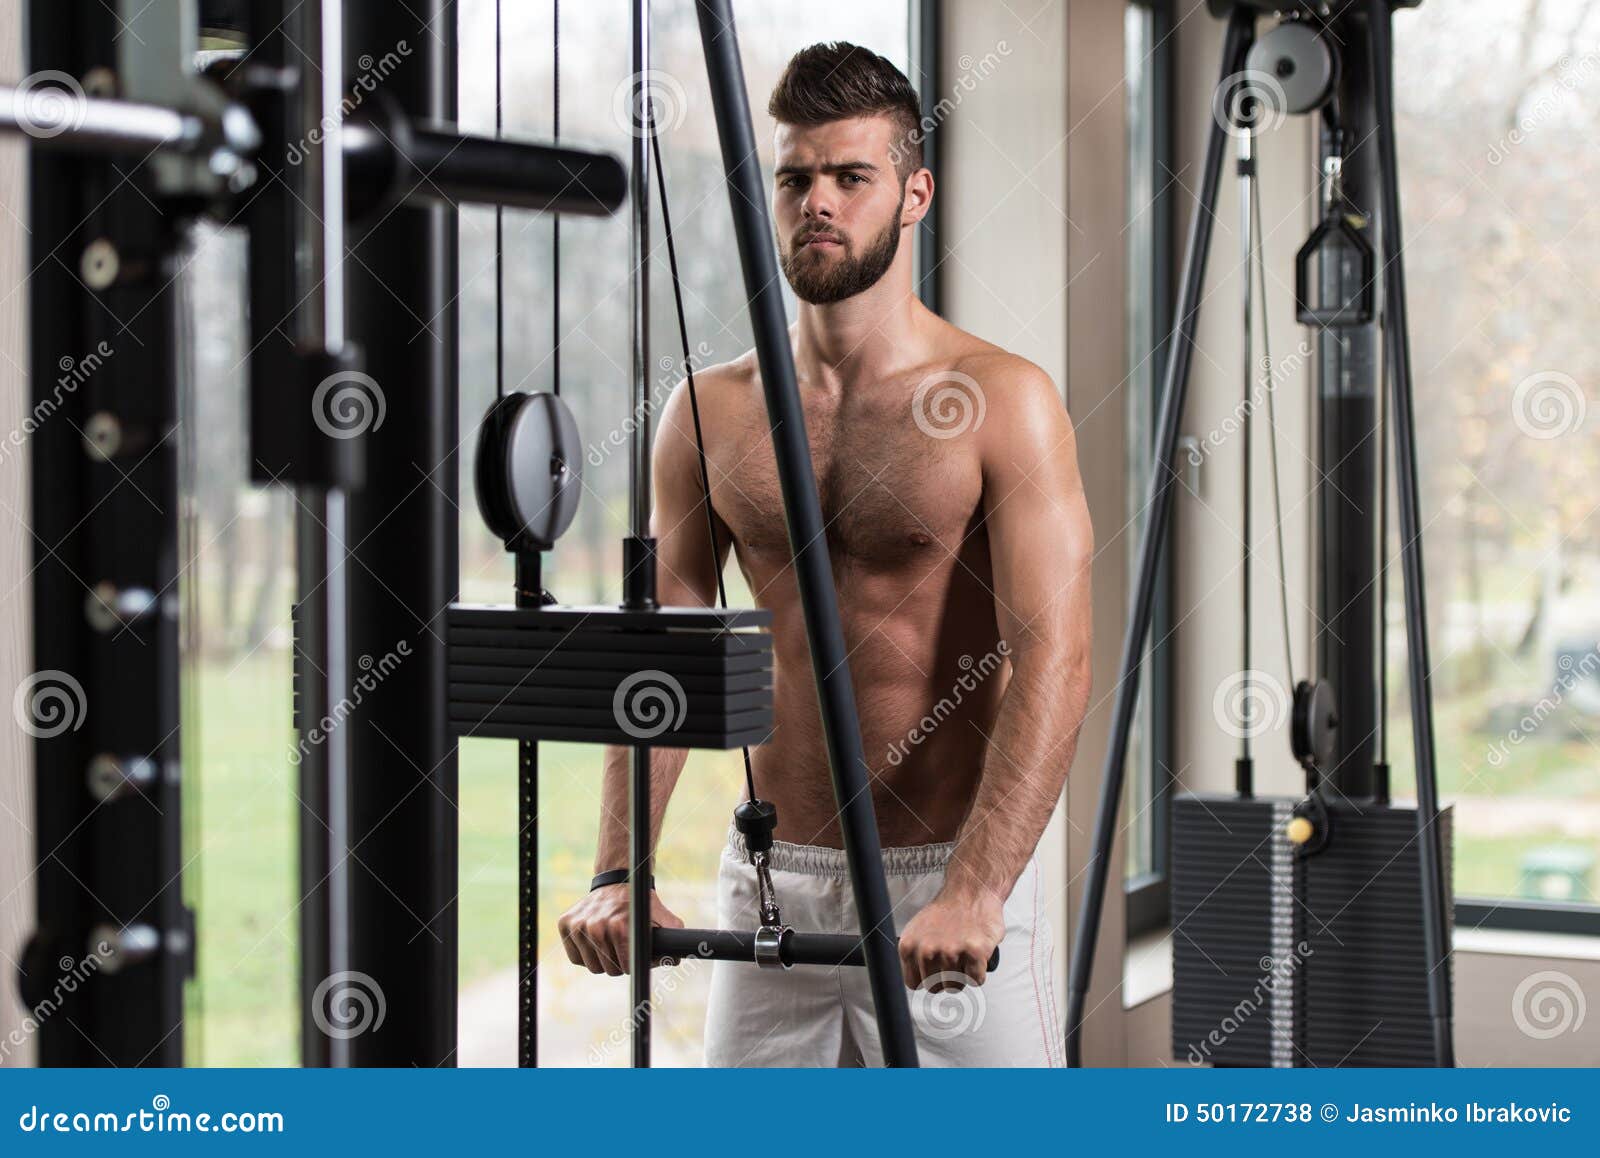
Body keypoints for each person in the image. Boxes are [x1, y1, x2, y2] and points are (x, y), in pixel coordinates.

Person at [558, 41, 1093, 1067]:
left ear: (913, 194)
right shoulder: (709, 412)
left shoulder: (1002, 401)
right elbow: (662, 652)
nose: (817, 202)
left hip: (948, 882)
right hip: (772, 876)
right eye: (795, 177)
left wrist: (977, 888)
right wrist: (620, 868)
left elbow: (1054, 658)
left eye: (851, 176)